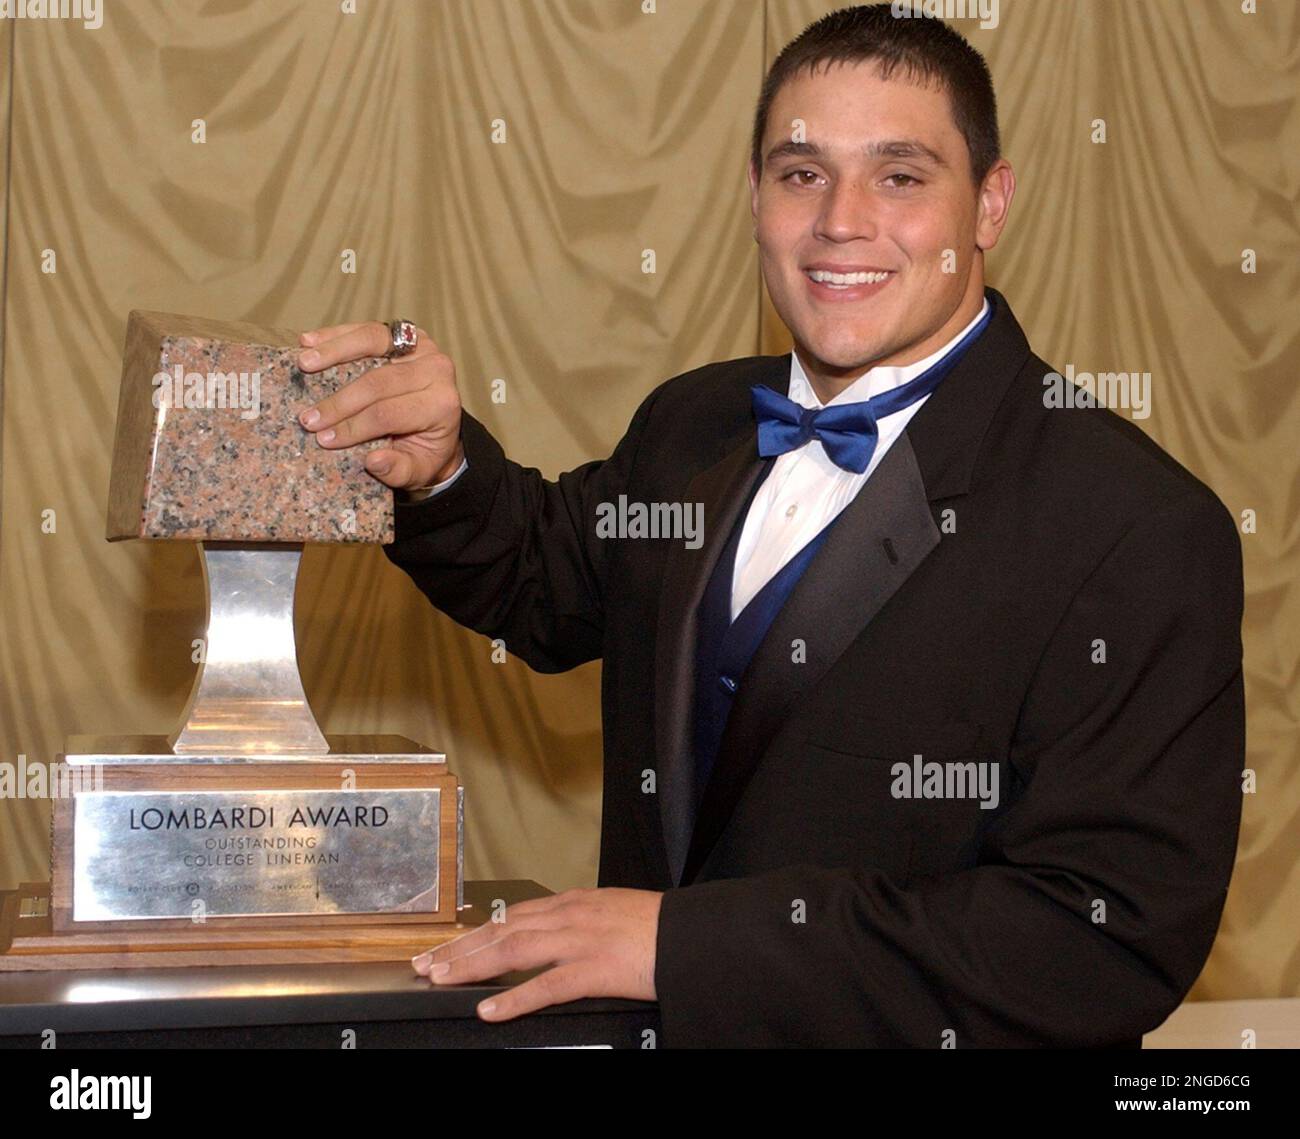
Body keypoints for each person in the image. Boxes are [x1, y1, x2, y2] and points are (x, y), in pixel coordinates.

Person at [294, 5, 1244, 1047]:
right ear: (753, 198)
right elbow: (543, 583)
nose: (840, 220)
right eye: (800, 173)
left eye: (900, 175)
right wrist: (442, 466)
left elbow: (1096, 939)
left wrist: (684, 947)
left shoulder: (1137, 524)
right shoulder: (693, 418)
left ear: (989, 203)